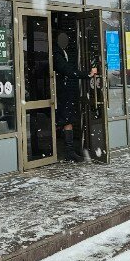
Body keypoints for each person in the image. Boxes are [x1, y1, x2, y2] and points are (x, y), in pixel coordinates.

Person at [52, 30, 98, 162]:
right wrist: (87, 74)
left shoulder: (61, 51)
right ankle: (68, 152)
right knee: (65, 119)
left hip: (64, 92)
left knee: (67, 119)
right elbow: (66, 70)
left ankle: (69, 151)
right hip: (60, 93)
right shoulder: (56, 53)